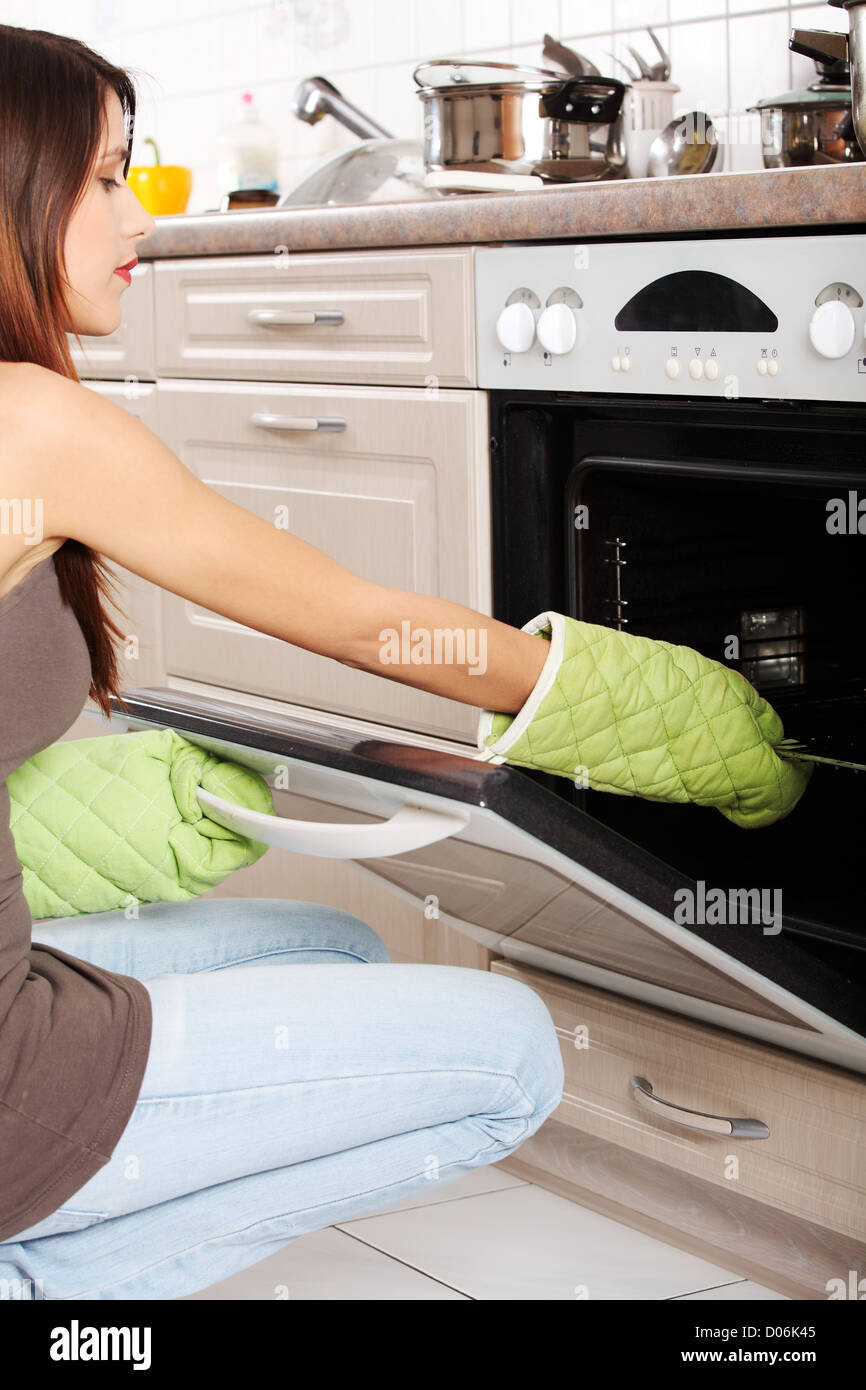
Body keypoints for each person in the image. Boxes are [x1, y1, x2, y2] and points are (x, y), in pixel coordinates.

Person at [0, 27, 564, 1300]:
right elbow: (362, 620)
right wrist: (626, 699)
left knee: (328, 951)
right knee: (515, 1056)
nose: (138, 213)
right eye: (102, 178)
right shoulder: (31, 425)